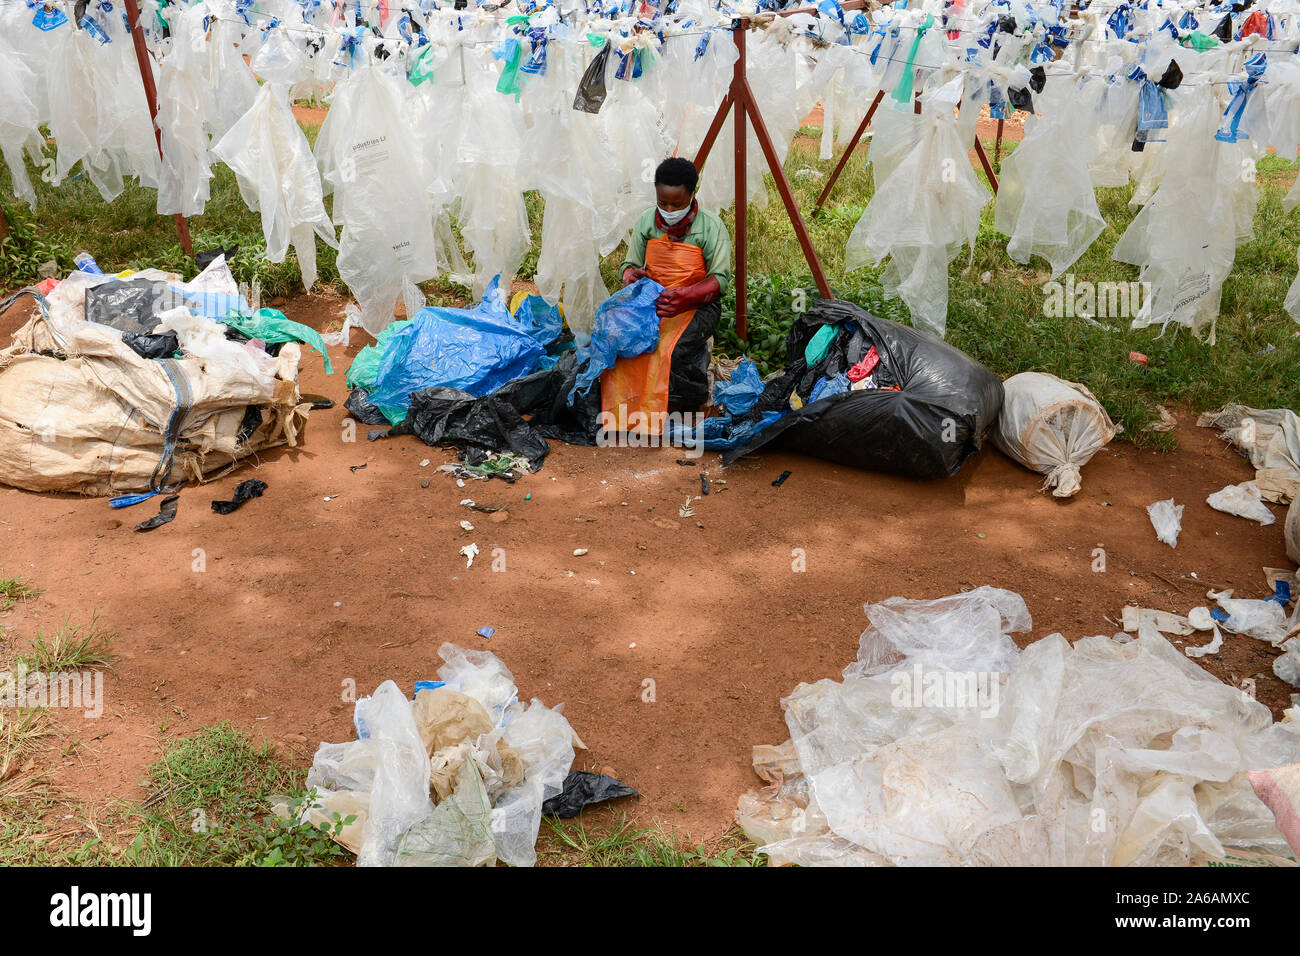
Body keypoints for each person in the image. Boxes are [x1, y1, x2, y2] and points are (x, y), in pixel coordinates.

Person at [606, 158, 731, 430]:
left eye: (677, 204)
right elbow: (630, 266)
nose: (669, 210)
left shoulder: (711, 227)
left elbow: (719, 281)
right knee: (616, 338)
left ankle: (685, 404)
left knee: (669, 347)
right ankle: (628, 406)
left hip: (698, 306)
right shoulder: (646, 222)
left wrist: (686, 297)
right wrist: (629, 276)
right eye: (663, 203)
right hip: (652, 303)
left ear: (692, 195)